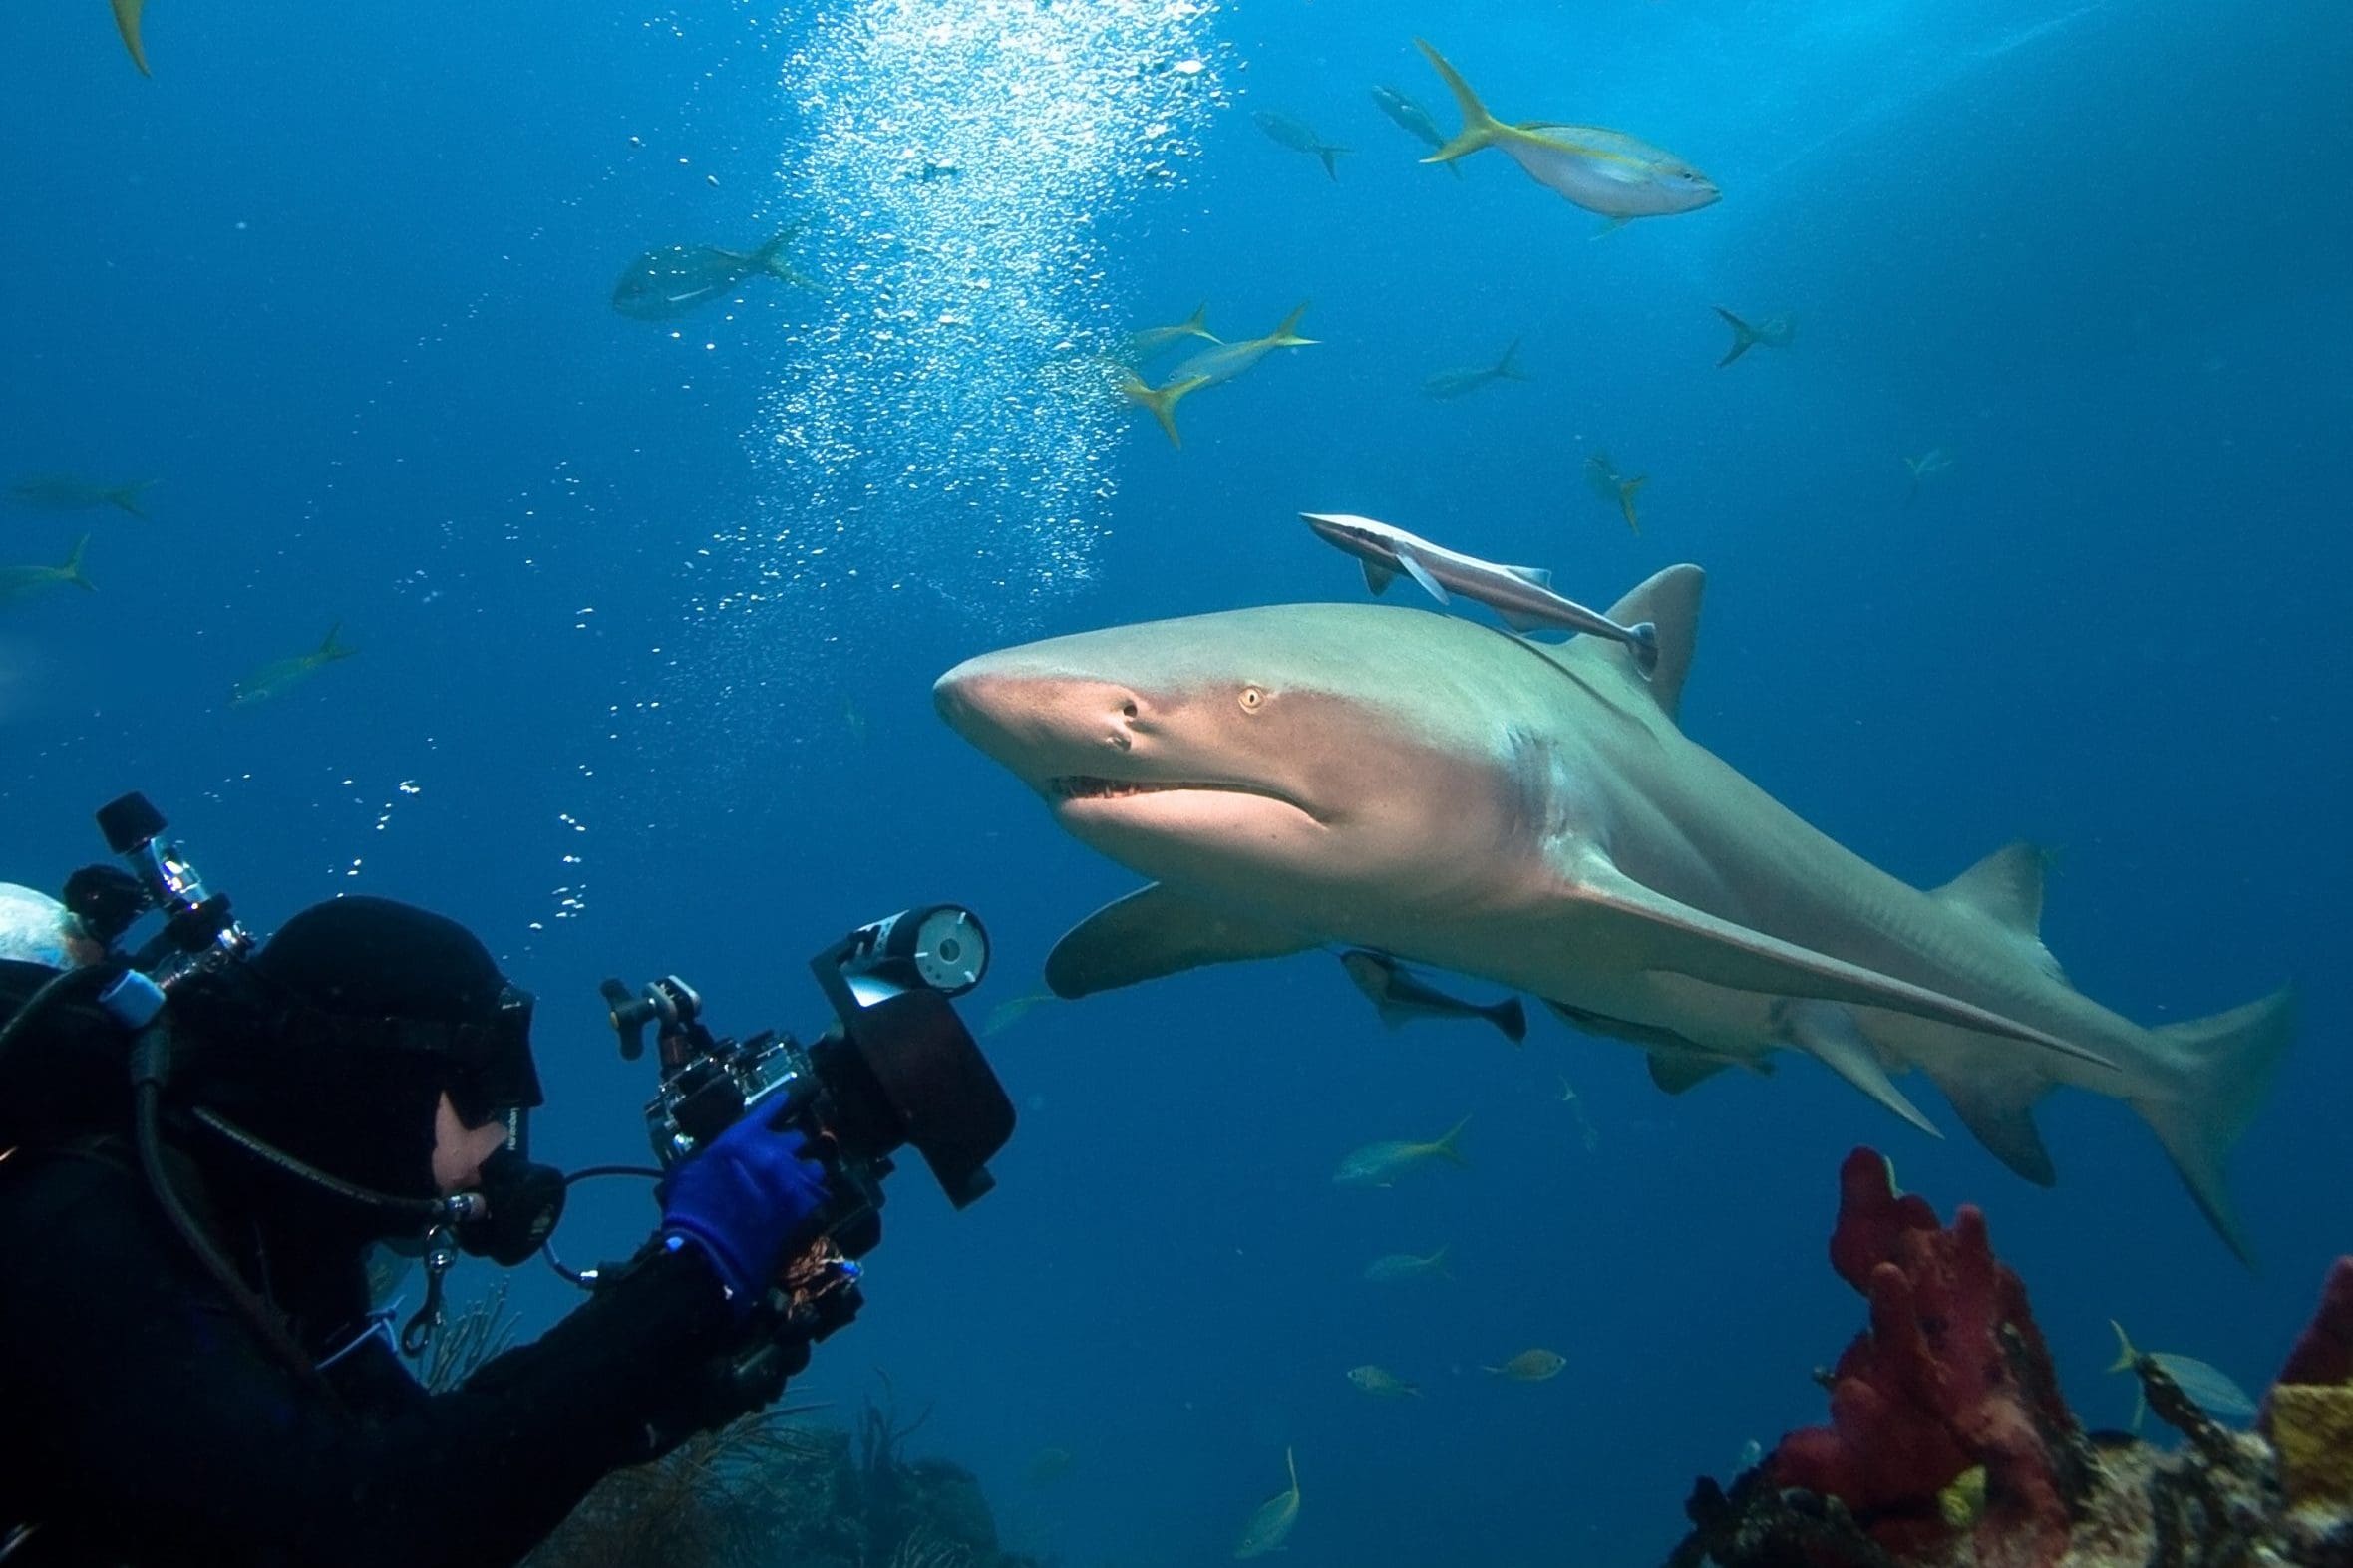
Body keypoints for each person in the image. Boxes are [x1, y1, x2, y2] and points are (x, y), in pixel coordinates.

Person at [0, 895, 836, 1567]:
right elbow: (366, 1529)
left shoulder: (271, 1233)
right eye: (477, 1094)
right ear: (372, 1087)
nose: (501, 1140)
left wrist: (670, 1387)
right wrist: (686, 1281)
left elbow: (428, 1454)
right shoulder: (82, 1229)